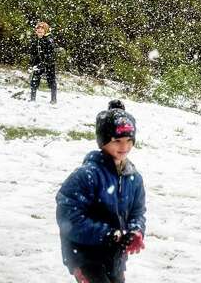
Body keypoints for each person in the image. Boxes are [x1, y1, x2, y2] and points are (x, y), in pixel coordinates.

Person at [56, 100, 147, 283]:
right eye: (117, 141)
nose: (124, 147)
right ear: (103, 141)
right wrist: (109, 235)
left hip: (115, 258)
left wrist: (135, 231)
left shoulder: (133, 178)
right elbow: (68, 218)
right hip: (86, 256)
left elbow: (138, 212)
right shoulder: (87, 175)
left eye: (129, 141)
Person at [29, 20, 58, 103]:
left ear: (45, 31)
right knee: (34, 80)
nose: (39, 32)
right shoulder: (36, 40)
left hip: (49, 64)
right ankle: (32, 98)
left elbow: (51, 55)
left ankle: (53, 99)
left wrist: (44, 63)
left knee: (51, 81)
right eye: (38, 30)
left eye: (42, 30)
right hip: (39, 63)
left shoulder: (49, 40)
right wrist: (32, 64)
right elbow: (34, 54)